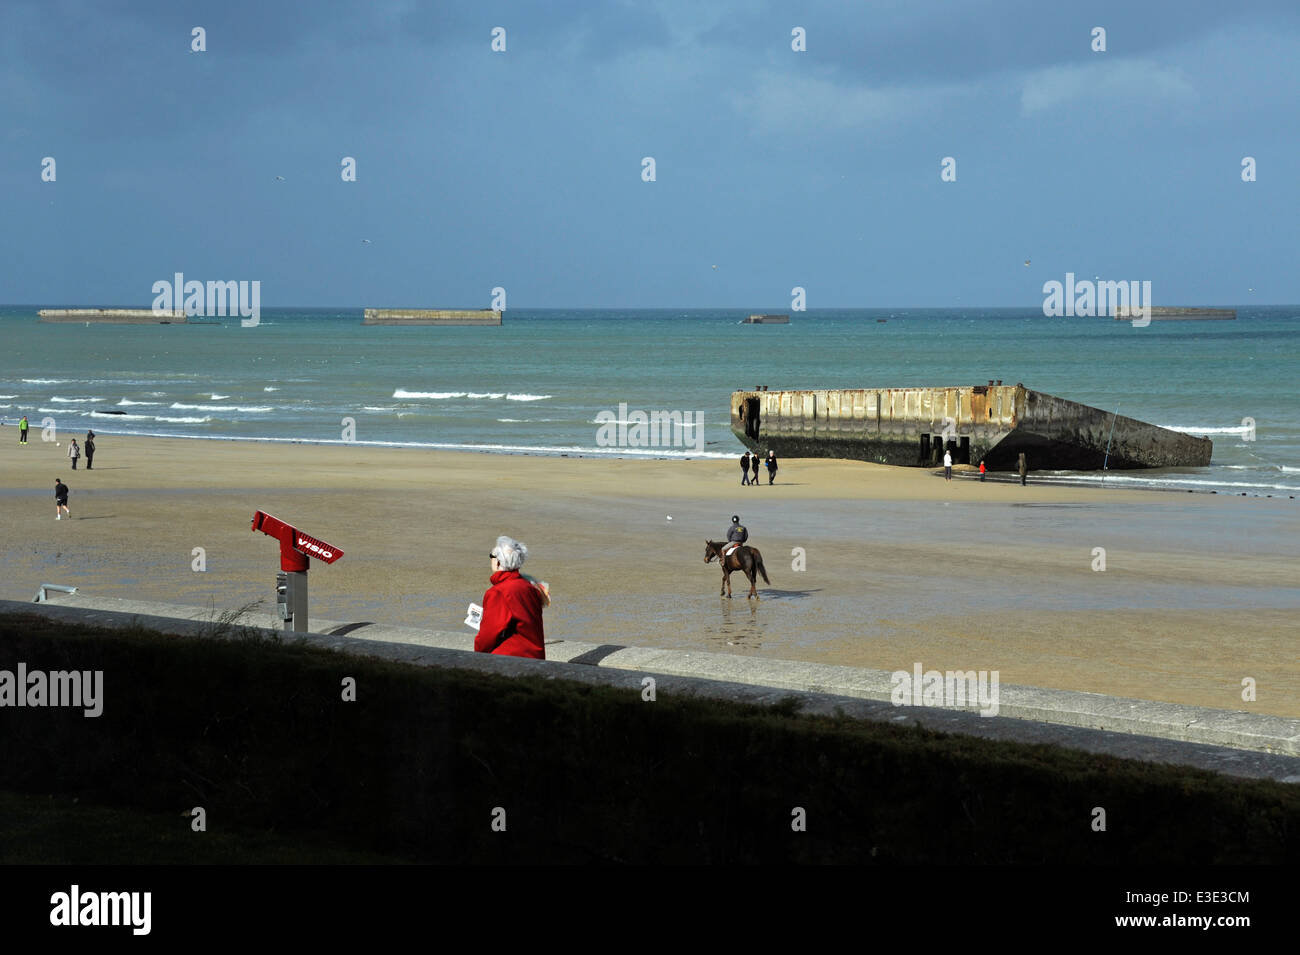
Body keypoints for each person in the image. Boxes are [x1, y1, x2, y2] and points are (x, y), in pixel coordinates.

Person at [475, 536, 546, 659]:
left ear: (497, 562)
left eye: (491, 556)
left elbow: (488, 634)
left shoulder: (498, 592)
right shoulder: (530, 586)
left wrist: (477, 654)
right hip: (535, 656)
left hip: (511, 658)